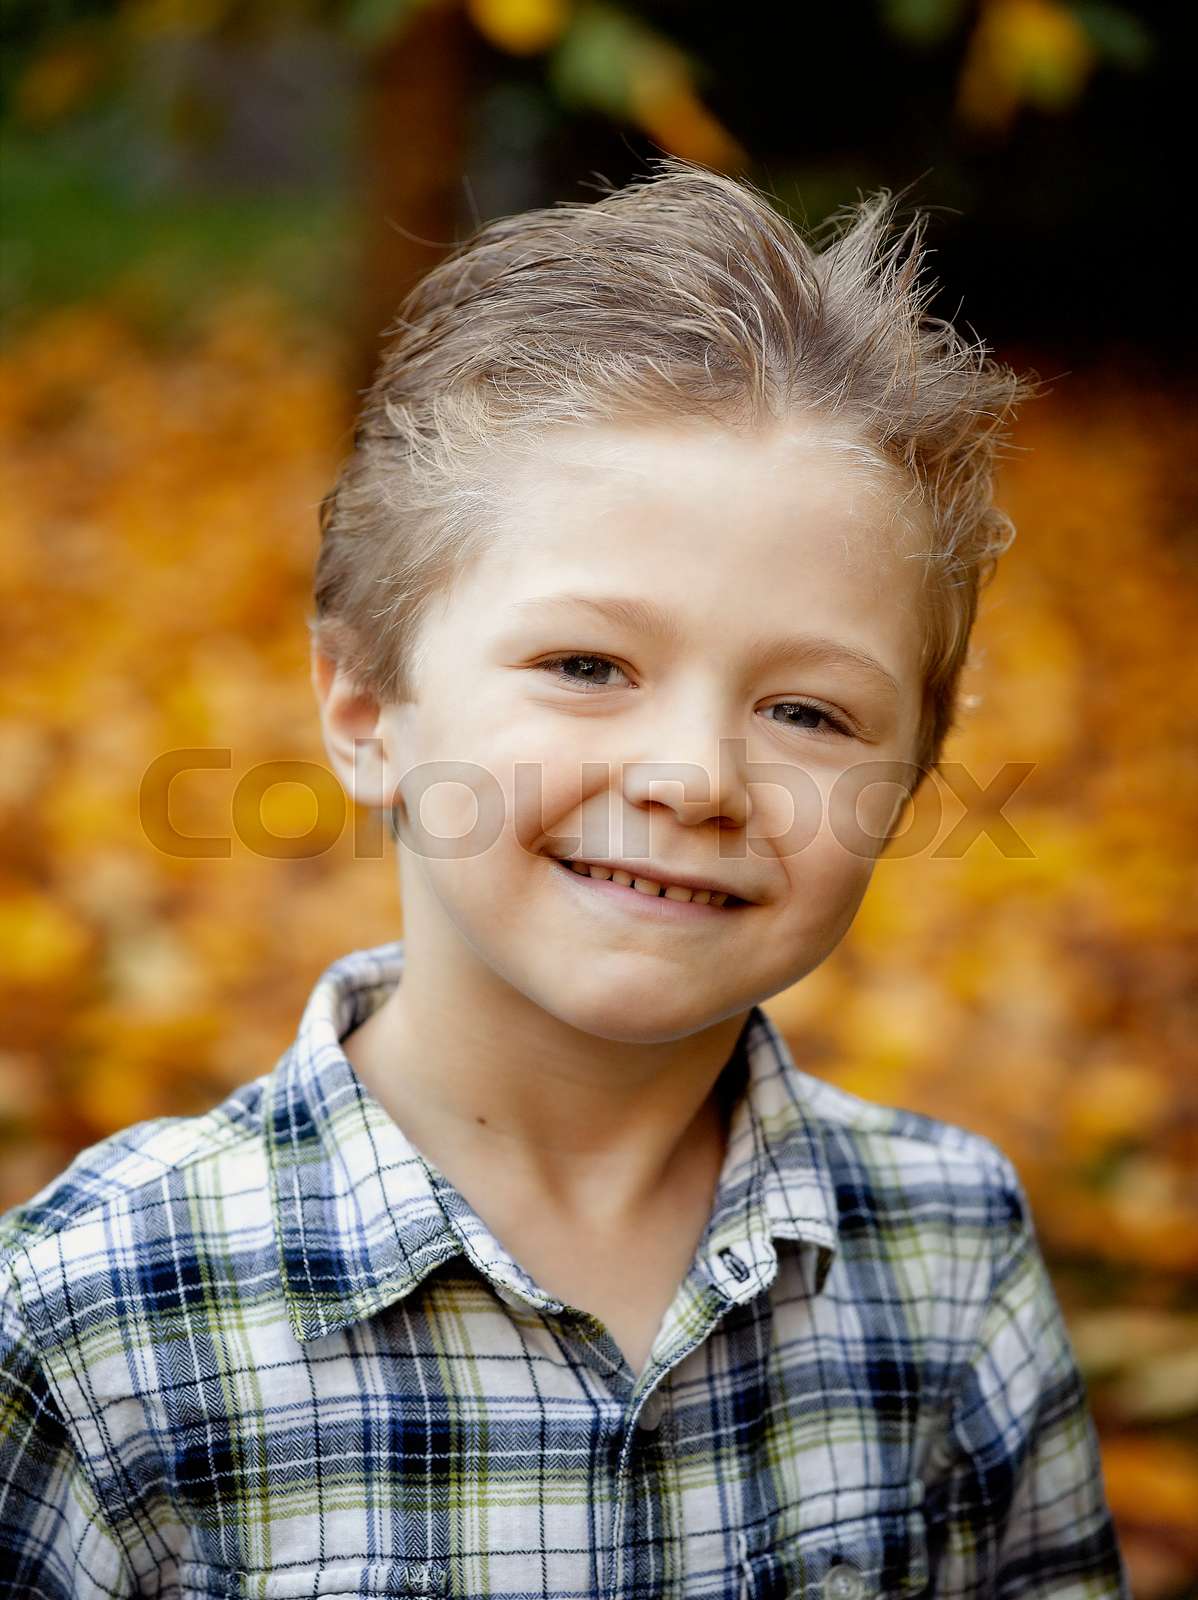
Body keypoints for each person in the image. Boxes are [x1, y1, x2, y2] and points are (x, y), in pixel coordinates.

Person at [0, 156, 1129, 1599]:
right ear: (365, 710)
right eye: (586, 666)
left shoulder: (950, 1258)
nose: (694, 777)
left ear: (908, 773)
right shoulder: (96, 1323)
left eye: (807, 712)